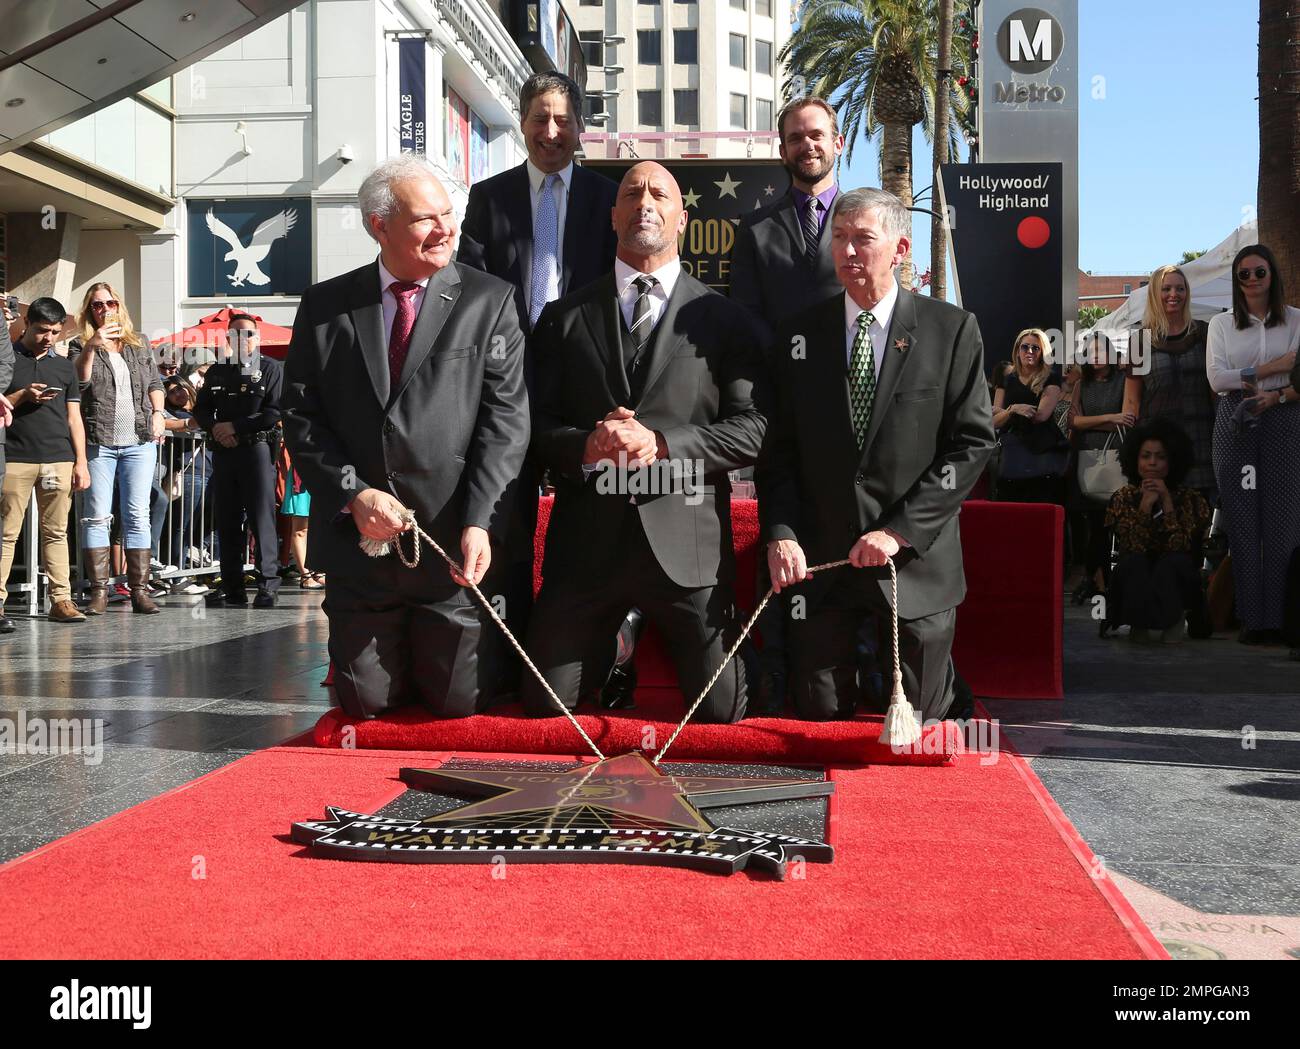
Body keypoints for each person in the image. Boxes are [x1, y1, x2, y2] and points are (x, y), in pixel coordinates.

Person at [282, 156, 529, 719]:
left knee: (455, 703)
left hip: (449, 550)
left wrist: (480, 520)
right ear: (379, 226)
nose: (445, 230)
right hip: (361, 553)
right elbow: (301, 416)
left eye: (448, 214)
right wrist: (354, 493)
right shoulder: (325, 305)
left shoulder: (488, 300)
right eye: (425, 219)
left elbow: (506, 422)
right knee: (366, 705)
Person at [523, 161, 766, 723]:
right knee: (543, 704)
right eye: (632, 193)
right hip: (588, 551)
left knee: (721, 711)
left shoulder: (724, 320)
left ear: (682, 217)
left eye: (660, 193)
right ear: (613, 216)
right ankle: (617, 648)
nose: (645, 202)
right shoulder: (564, 318)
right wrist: (586, 445)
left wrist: (662, 443)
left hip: (686, 545)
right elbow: (532, 426)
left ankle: (640, 638)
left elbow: (753, 428)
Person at [757, 187, 995, 722]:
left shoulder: (952, 331)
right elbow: (780, 452)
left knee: (924, 718)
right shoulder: (798, 336)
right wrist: (782, 533)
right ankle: (865, 668)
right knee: (819, 713)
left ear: (901, 248)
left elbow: (973, 443)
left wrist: (899, 531)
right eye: (839, 238)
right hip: (825, 564)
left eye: (863, 239)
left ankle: (928, 679)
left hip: (912, 562)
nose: (847, 252)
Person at [457, 72, 619, 687]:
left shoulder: (610, 198)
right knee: (509, 524)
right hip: (507, 388)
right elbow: (472, 291)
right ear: (522, 123)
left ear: (580, 127)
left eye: (562, 120)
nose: (551, 132)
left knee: (593, 529)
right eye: (539, 119)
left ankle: (592, 659)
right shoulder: (489, 197)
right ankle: (509, 659)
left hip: (584, 390)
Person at [1207, 243, 1300, 645]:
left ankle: (1279, 618)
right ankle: (1250, 617)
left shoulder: (1296, 320)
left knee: (1282, 523)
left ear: (1272, 275)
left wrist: (1274, 392)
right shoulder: (1223, 325)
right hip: (1237, 420)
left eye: (1258, 272)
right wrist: (1273, 368)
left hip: (1283, 418)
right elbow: (1217, 380)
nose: (1251, 280)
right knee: (1242, 522)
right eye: (1243, 274)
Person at [72, 282, 166, 615]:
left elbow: (155, 383)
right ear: (89, 310)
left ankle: (139, 589)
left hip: (139, 440)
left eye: (110, 303)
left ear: (118, 306)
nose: (104, 309)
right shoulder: (80, 344)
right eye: (97, 305)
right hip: (99, 439)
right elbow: (79, 384)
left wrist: (158, 414)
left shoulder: (137, 343)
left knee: (137, 515)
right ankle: (99, 590)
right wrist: (91, 348)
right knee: (96, 516)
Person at [0, 297, 91, 631]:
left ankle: (61, 600)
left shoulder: (64, 365)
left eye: (55, 331)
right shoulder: (6, 358)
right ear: (27, 324)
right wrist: (22, 396)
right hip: (15, 457)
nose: (49, 337)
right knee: (6, 533)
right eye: (42, 330)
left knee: (57, 532)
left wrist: (81, 461)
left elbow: (74, 416)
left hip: (58, 460)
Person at [728, 96, 846, 335]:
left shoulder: (869, 222)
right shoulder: (754, 228)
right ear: (783, 152)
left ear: (838, 144)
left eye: (816, 135)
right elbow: (745, 313)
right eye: (795, 138)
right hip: (777, 368)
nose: (807, 145)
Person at [194, 314, 284, 608]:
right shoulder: (218, 372)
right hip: (224, 452)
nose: (242, 339)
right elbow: (202, 409)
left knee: (261, 518)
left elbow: (274, 411)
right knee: (228, 520)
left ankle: (267, 585)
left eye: (248, 334)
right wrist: (217, 429)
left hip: (255, 449)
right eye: (235, 334)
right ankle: (233, 587)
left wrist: (236, 426)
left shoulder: (270, 368)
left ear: (257, 338)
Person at [1103, 419, 1211, 643]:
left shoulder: (1191, 499)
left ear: (1173, 461)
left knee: (1173, 562)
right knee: (1135, 562)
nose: (1152, 463)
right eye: (1146, 456)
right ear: (1135, 459)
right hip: (1136, 575)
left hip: (1176, 576)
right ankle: (1139, 622)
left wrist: (1166, 502)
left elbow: (1182, 547)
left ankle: (1174, 619)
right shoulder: (1123, 497)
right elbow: (1131, 547)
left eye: (1161, 457)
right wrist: (1144, 505)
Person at [1122, 264, 1215, 500]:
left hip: (1203, 440)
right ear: (1155, 293)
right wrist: (1133, 456)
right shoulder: (1140, 341)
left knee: (1203, 522)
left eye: (1180, 288)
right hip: (1159, 450)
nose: (1174, 294)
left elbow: (1216, 391)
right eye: (1166, 289)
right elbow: (1132, 401)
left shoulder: (1205, 333)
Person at [1070, 333, 1133, 602]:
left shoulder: (1124, 380)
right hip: (1088, 460)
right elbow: (1074, 422)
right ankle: (1097, 581)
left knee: (1118, 523)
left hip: (1117, 459)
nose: (1096, 355)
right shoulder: (1081, 384)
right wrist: (1109, 417)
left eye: (1101, 349)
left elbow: (1128, 420)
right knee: (1096, 525)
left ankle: (1106, 583)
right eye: (1090, 350)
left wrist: (1091, 421)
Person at [992, 328, 1066, 504]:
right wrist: (1013, 409)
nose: (1030, 352)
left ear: (1043, 352)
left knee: (1040, 507)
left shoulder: (1051, 378)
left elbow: (1040, 415)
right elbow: (993, 421)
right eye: (1025, 347)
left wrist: (1005, 413)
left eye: (1036, 348)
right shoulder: (1007, 379)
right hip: (1011, 452)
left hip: (1042, 451)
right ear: (1018, 350)